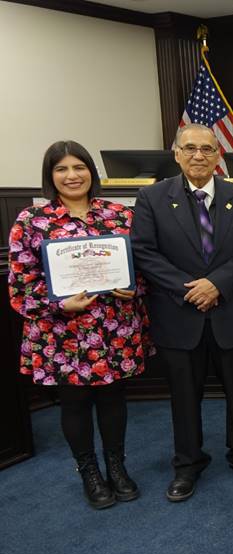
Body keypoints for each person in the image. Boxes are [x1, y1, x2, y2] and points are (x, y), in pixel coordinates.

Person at [8, 141, 149, 509]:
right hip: (62, 333)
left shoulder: (120, 215)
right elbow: (20, 285)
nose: (72, 176)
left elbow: (144, 268)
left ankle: (116, 467)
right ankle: (89, 471)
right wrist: (59, 303)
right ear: (50, 176)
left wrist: (132, 288)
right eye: (62, 169)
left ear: (91, 171)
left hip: (114, 326)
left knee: (114, 399)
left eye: (79, 167)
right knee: (74, 403)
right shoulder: (31, 221)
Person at [131, 123, 233, 502]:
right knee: (184, 396)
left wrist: (216, 285)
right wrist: (190, 289)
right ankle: (187, 464)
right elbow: (144, 251)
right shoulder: (152, 198)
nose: (198, 156)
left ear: (218, 154)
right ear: (176, 153)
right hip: (179, 314)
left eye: (207, 149)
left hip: (230, 313)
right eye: (189, 148)